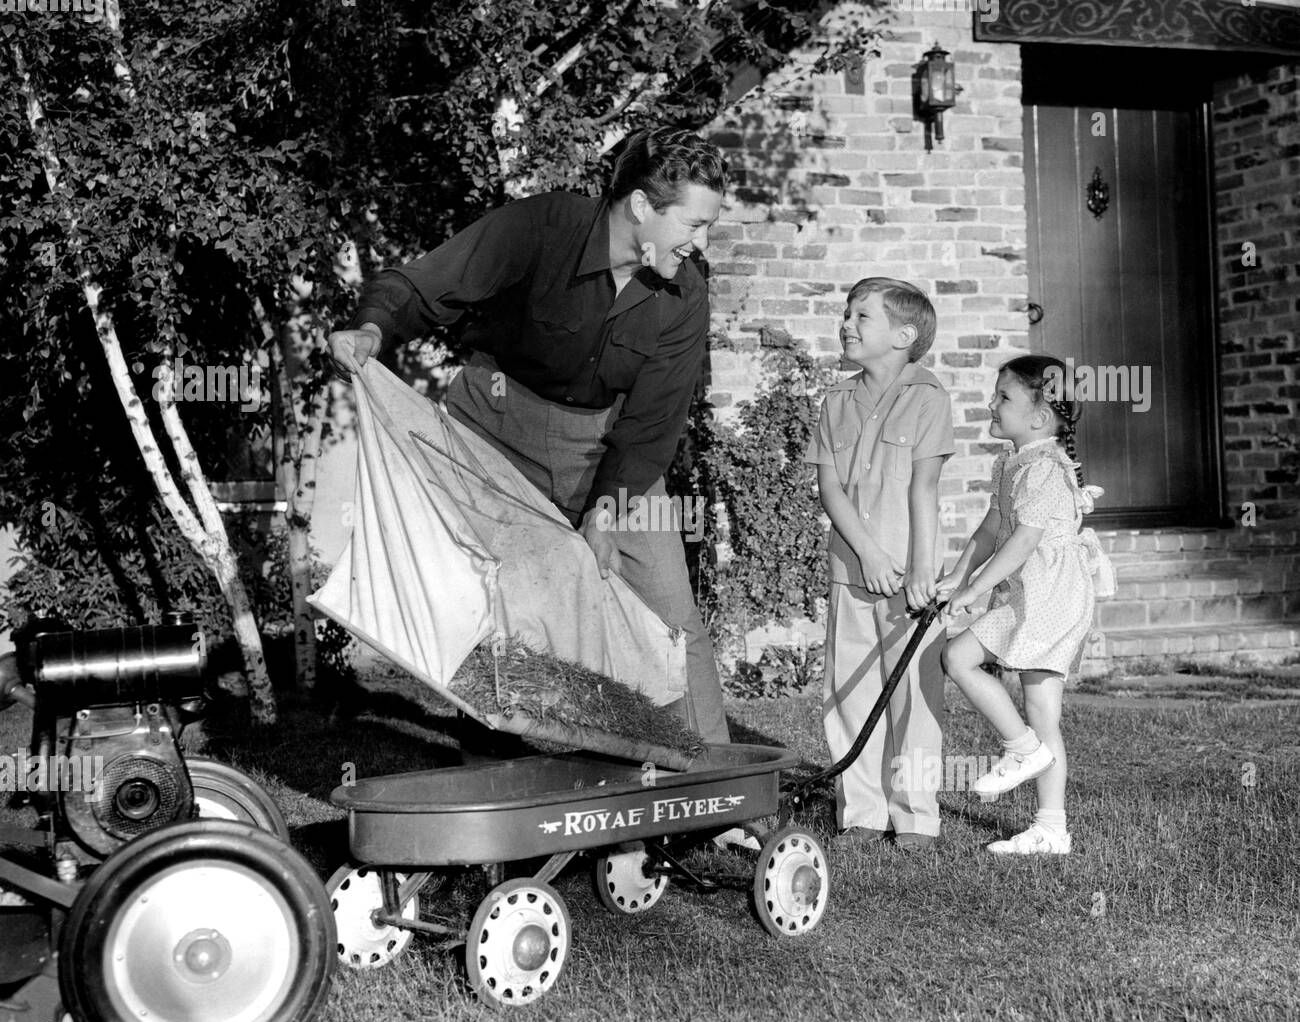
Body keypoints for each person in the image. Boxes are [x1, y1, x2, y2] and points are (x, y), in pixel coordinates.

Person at [326, 127, 731, 747]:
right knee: (496, 609)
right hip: (494, 430)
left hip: (609, 445)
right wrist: (372, 332)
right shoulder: (540, 227)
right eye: (694, 224)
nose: (701, 243)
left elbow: (653, 423)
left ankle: (712, 787)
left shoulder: (686, 290)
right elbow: (424, 285)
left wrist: (606, 509)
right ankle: (501, 781)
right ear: (643, 206)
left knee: (671, 614)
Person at [939, 354, 1115, 855]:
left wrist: (974, 592)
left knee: (959, 657)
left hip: (1049, 597)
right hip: (1029, 593)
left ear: (1040, 417)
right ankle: (1051, 828)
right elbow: (993, 529)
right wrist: (957, 575)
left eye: (1004, 398)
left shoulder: (1043, 468)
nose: (991, 404)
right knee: (1040, 711)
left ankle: (1021, 752)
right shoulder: (1012, 461)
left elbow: (1022, 543)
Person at [804, 278, 953, 851]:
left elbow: (925, 490)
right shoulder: (836, 401)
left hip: (909, 580)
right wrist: (865, 551)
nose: (846, 323)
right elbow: (831, 489)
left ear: (903, 335)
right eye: (847, 313)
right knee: (848, 693)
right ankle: (861, 813)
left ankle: (915, 816)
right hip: (851, 569)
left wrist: (920, 569)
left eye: (861, 316)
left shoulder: (928, 398)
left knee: (913, 696)